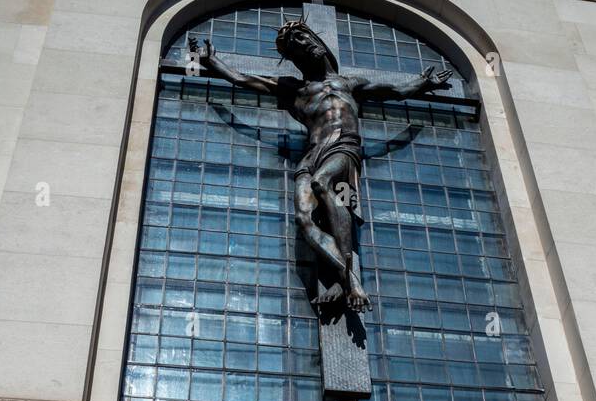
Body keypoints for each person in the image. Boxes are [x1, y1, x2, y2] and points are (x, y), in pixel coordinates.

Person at [193, 20, 451, 312]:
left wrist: (424, 83)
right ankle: (346, 277)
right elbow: (242, 79)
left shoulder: (349, 83)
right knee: (304, 218)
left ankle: (350, 281)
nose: (302, 45)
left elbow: (394, 90)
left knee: (323, 183)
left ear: (316, 39)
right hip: (312, 153)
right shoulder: (295, 89)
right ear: (294, 58)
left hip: (344, 147)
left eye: (302, 38)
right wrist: (212, 61)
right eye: (294, 46)